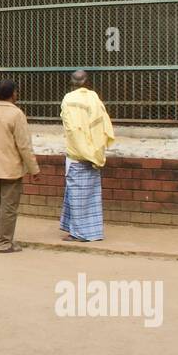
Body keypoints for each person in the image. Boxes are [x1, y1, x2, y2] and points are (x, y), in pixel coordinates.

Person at [0, 80, 40, 252]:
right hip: (10, 168)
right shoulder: (16, 114)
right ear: (13, 94)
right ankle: (4, 242)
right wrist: (34, 168)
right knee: (9, 206)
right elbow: (24, 145)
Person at [59, 70, 114, 242]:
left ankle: (79, 233)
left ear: (71, 82)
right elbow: (102, 124)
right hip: (94, 154)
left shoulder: (68, 99)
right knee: (91, 196)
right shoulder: (94, 98)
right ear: (87, 81)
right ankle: (92, 231)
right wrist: (95, 152)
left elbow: (71, 128)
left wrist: (81, 149)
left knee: (76, 195)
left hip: (76, 154)